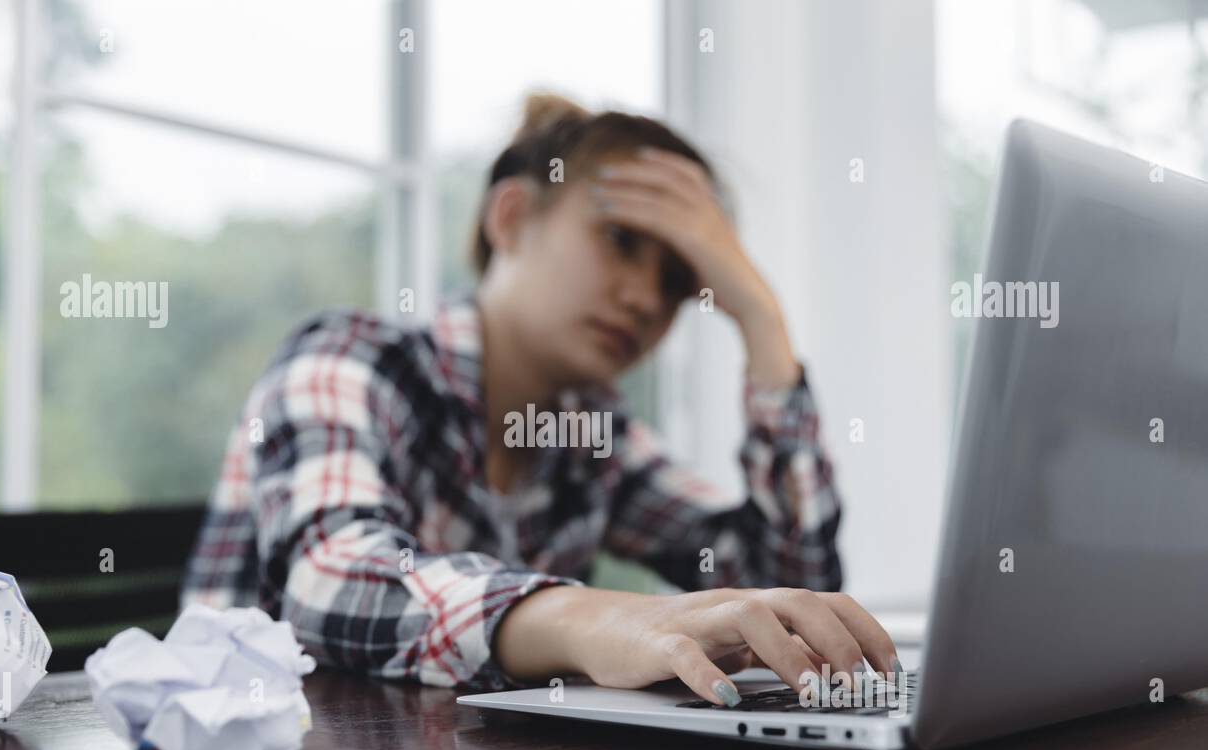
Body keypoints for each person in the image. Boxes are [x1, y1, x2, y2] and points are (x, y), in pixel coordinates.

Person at [181, 92, 900, 709]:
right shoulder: (348, 358)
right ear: (512, 216)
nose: (646, 297)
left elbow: (794, 598)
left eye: (680, 280)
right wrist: (589, 621)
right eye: (621, 241)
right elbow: (326, 581)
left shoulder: (591, 430)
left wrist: (762, 323)